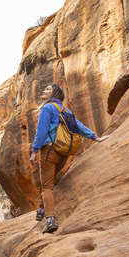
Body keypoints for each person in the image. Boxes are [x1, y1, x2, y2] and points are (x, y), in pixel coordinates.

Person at [28, 83, 109, 233]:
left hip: (49, 149)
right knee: (50, 182)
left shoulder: (47, 108)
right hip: (63, 153)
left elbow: (41, 131)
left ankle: (50, 219)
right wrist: (95, 138)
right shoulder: (65, 111)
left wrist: (34, 151)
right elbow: (78, 126)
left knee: (47, 186)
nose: (44, 90)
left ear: (54, 94)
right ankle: (40, 210)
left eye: (47, 89)